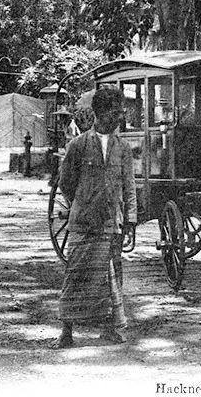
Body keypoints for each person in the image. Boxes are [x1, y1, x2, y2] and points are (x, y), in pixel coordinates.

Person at [55, 87, 137, 348]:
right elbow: (66, 183)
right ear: (100, 113)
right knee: (75, 274)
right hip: (83, 223)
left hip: (112, 223)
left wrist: (130, 219)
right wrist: (86, 201)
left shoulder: (123, 148)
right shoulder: (78, 145)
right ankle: (66, 331)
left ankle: (111, 329)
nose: (120, 117)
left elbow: (129, 186)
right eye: (115, 113)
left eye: (121, 112)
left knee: (111, 277)